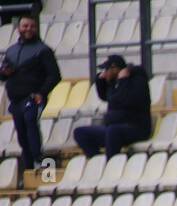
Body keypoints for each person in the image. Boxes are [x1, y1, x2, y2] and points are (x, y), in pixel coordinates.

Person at [1, 15, 60, 171]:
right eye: (25, 26)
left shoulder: (43, 50)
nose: (28, 29)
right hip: (16, 99)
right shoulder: (11, 50)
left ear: (36, 28)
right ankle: (29, 167)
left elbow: (54, 75)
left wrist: (42, 92)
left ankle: (40, 159)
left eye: (32, 26)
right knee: (21, 132)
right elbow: (2, 74)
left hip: (33, 97)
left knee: (30, 121)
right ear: (19, 28)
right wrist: (5, 72)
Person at [73, 53, 152, 159]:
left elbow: (124, 100)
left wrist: (123, 81)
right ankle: (97, 161)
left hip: (136, 128)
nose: (104, 73)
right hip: (114, 128)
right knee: (80, 133)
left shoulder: (137, 80)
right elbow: (106, 97)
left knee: (113, 131)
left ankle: (110, 165)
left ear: (115, 69)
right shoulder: (114, 83)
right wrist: (100, 81)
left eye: (106, 70)